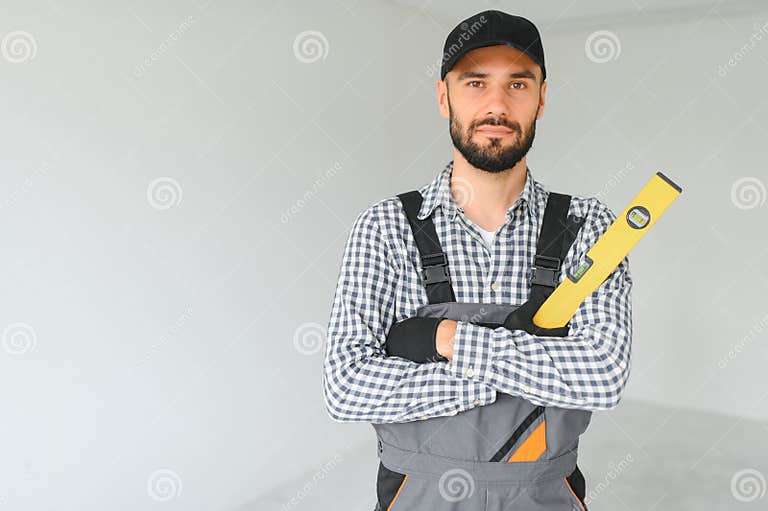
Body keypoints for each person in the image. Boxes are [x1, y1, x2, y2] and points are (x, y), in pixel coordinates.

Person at [323, 9, 633, 510]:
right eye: (475, 83)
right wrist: (523, 374)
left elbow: (601, 376)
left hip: (543, 495)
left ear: (542, 98)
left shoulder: (588, 227)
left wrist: (445, 340)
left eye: (517, 83)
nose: (496, 103)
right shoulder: (385, 228)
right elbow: (346, 386)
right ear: (444, 96)